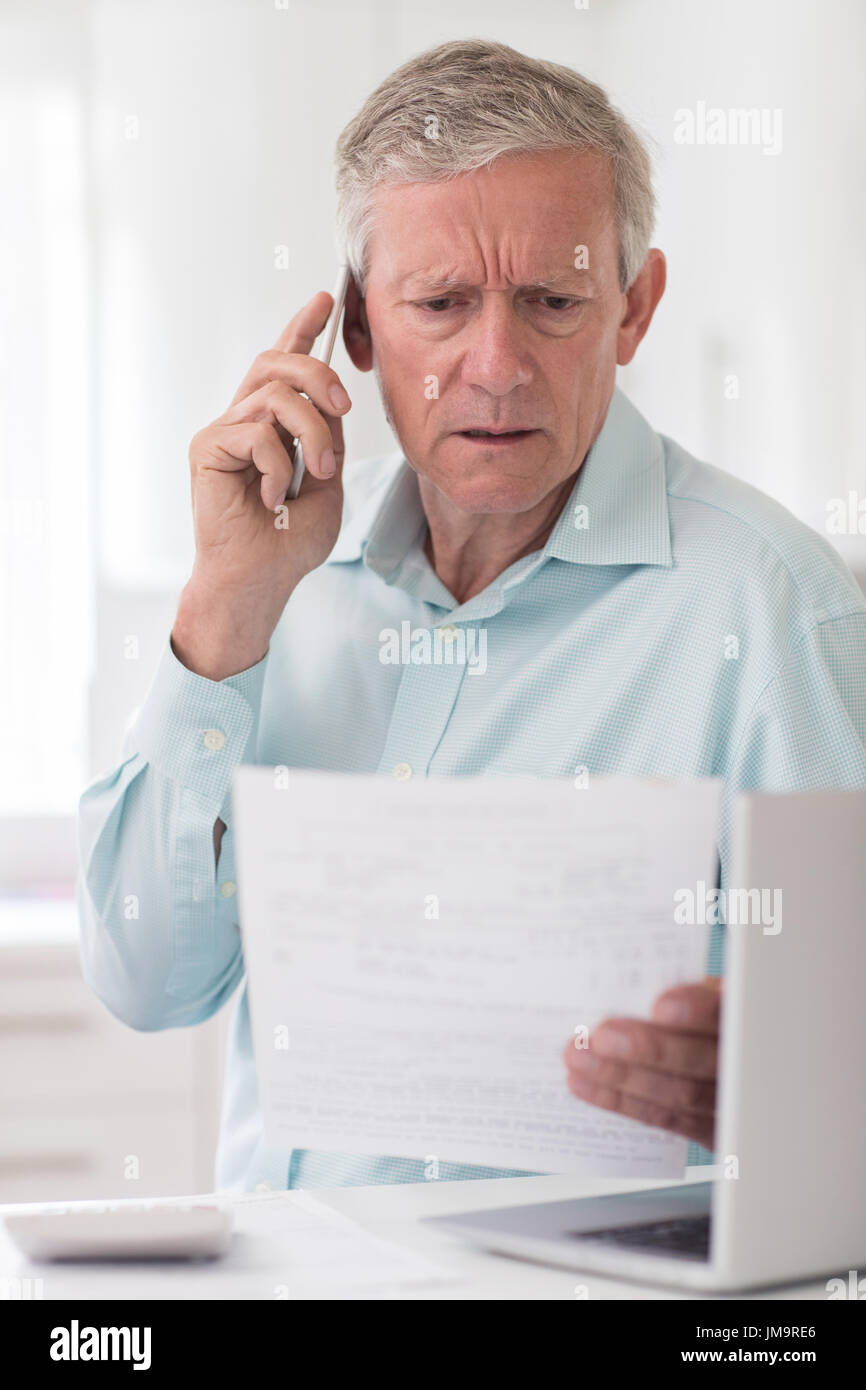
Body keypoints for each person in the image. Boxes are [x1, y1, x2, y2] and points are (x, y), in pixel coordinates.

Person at [77, 39, 866, 1192]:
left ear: (632, 310)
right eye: (440, 304)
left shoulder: (773, 612)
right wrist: (224, 610)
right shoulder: (275, 591)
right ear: (355, 329)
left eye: (552, 302)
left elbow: (836, 1066)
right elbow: (146, 978)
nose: (494, 366)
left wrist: (801, 1088)